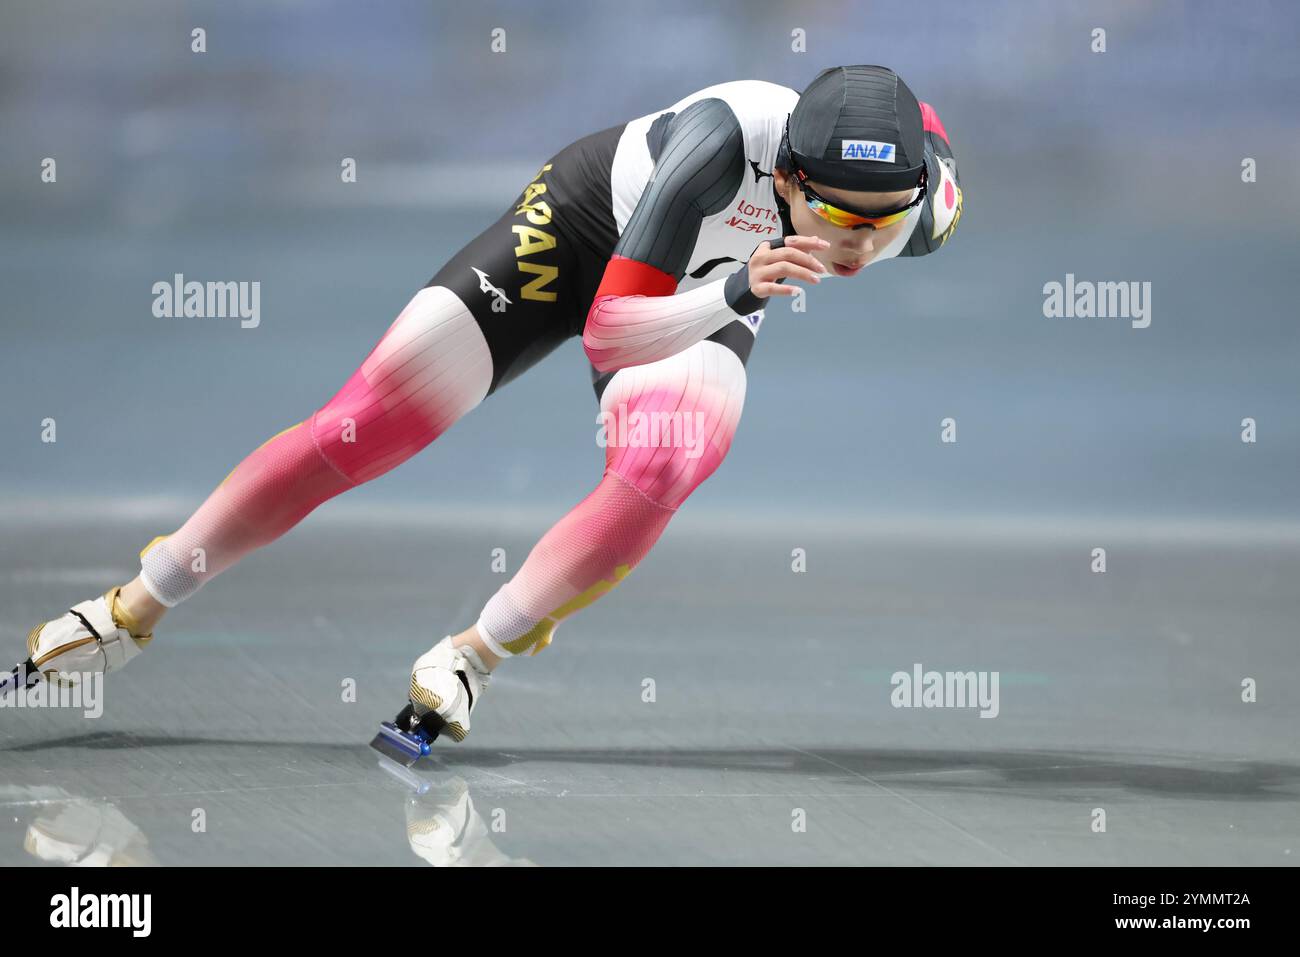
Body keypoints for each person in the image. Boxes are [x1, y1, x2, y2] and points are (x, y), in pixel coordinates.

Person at [15, 65, 963, 743]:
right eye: (838, 215)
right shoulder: (720, 144)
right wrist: (741, 289)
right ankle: (133, 607)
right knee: (366, 424)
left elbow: (907, 158)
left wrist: (738, 286)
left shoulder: (924, 207)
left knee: (667, 461)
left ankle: (471, 655)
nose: (859, 242)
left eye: (883, 221)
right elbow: (609, 332)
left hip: (714, 281)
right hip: (591, 227)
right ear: (788, 178)